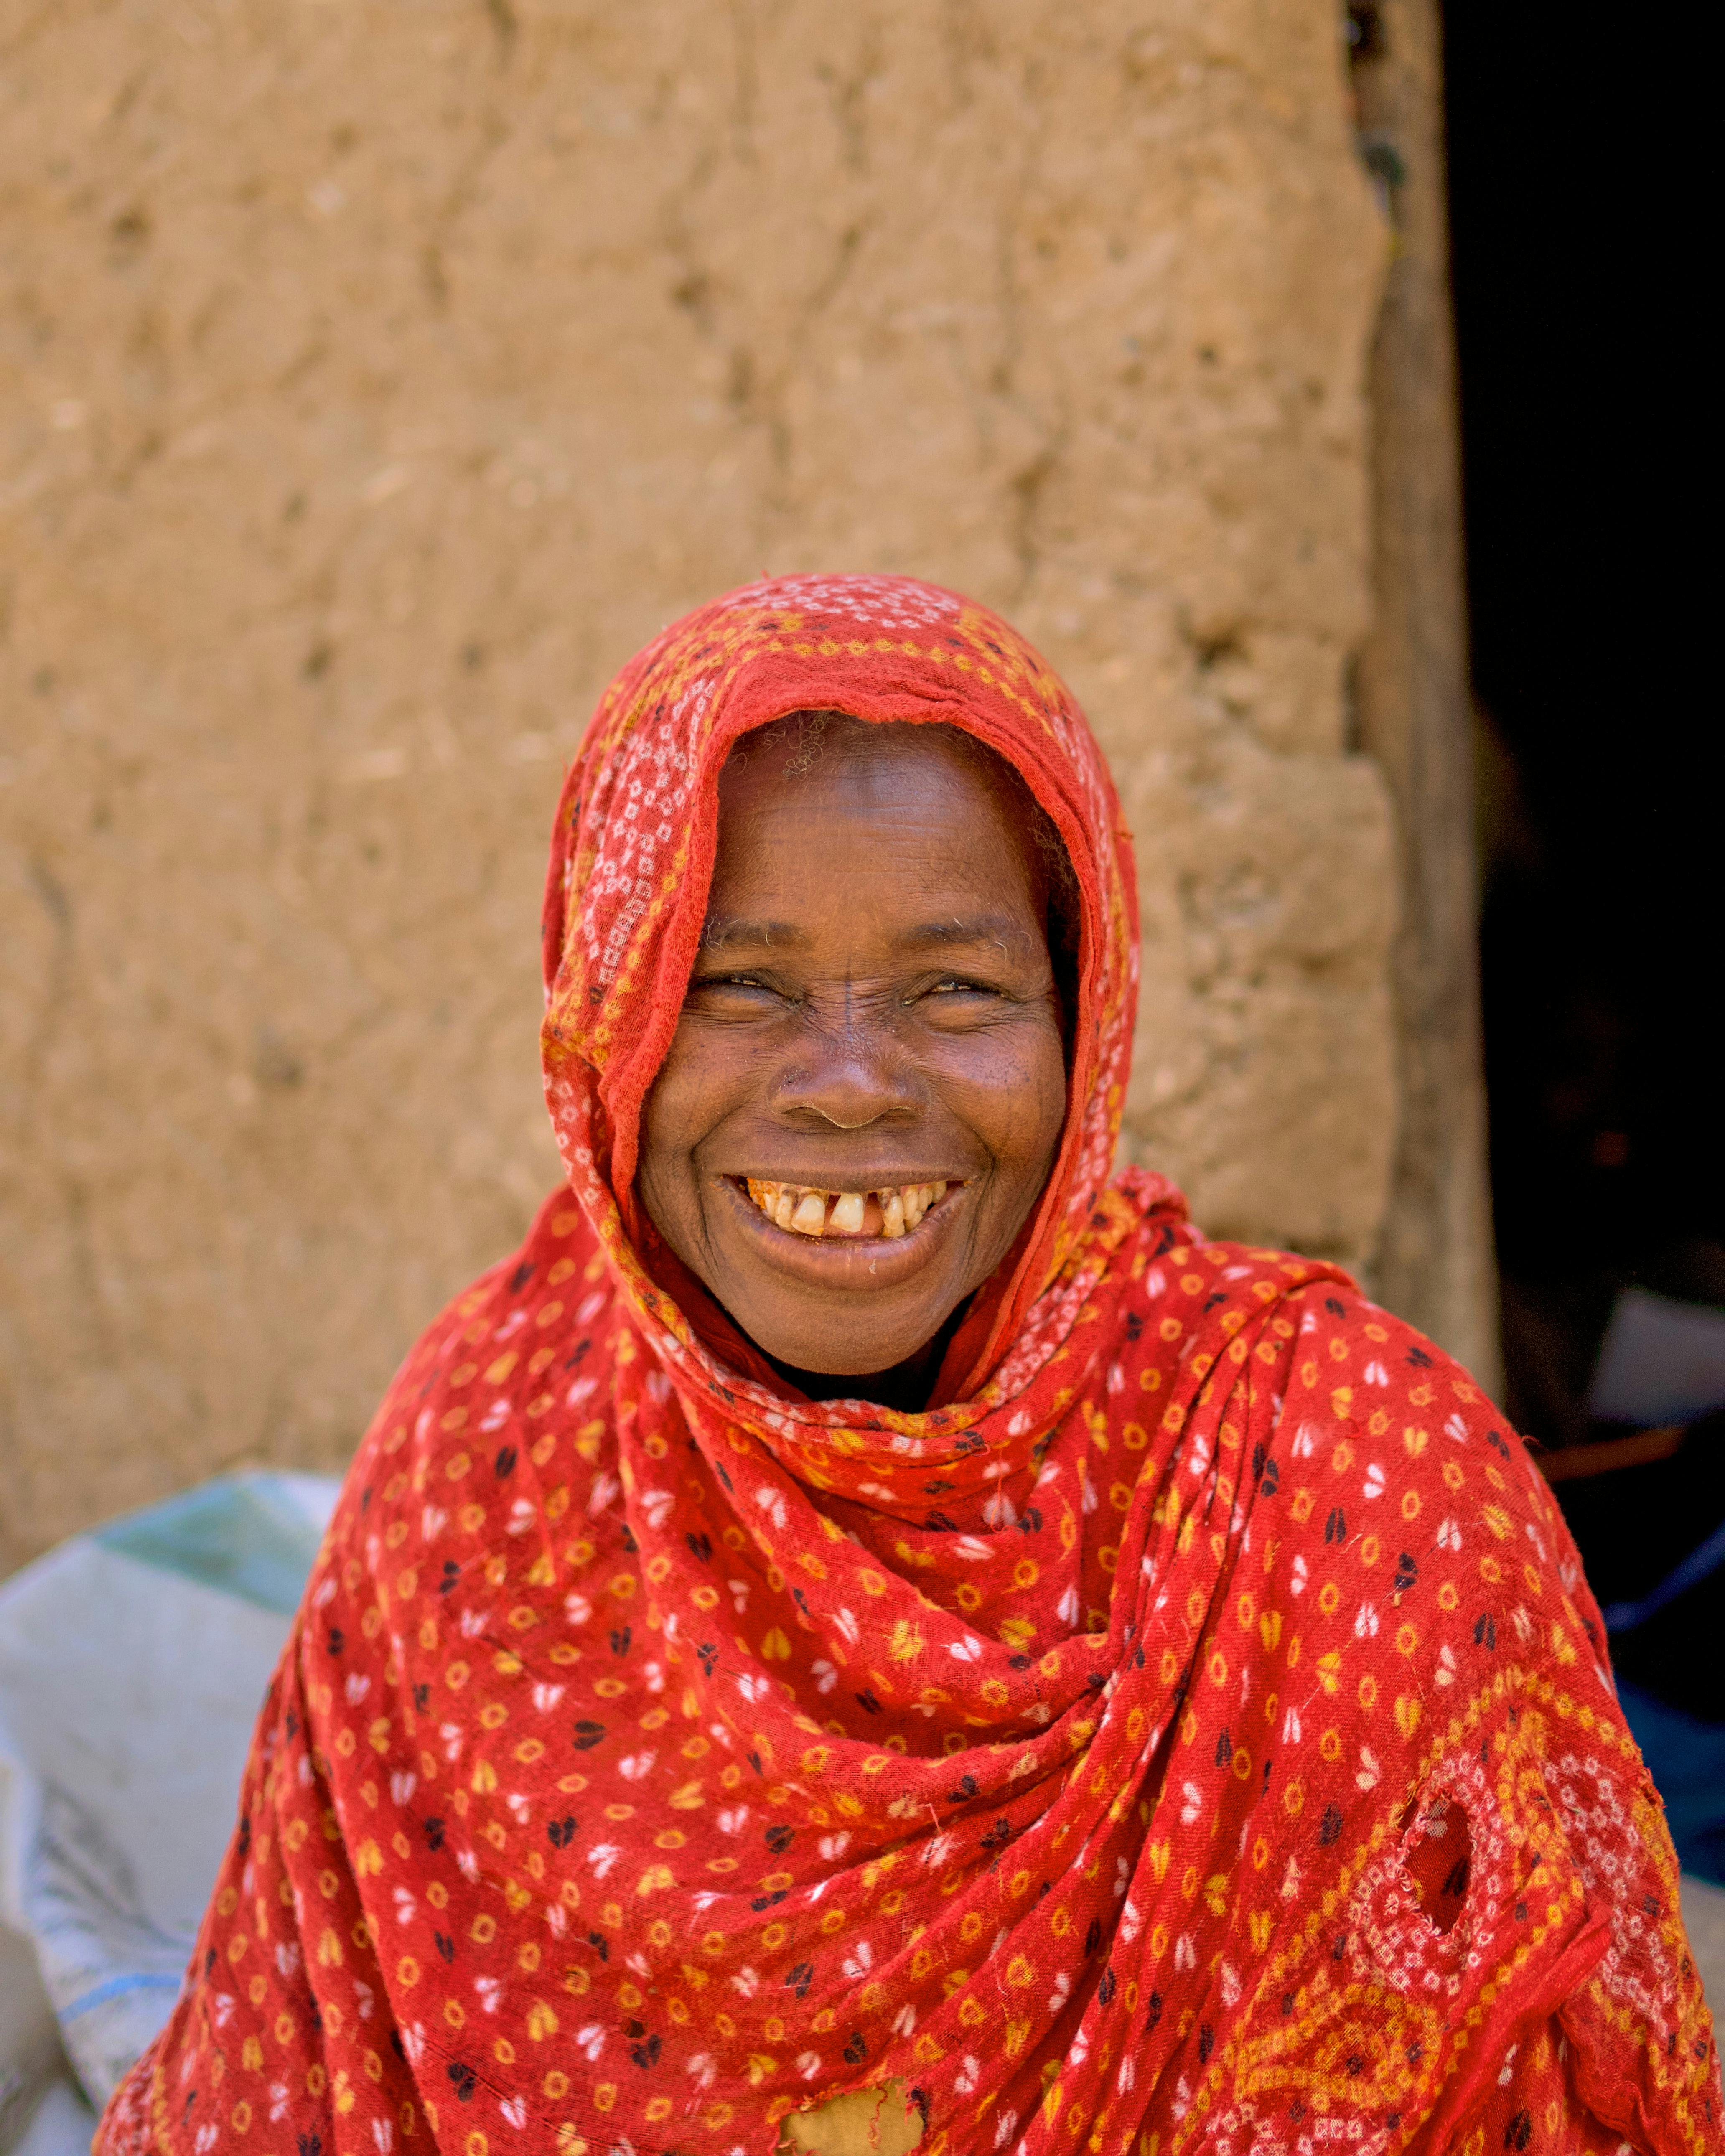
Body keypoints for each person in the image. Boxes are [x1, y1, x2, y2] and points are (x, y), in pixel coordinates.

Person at [97, 577, 1718, 2155]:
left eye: (958, 988)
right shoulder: (489, 1461)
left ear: (1085, 1022)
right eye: (738, 984)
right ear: (606, 1019)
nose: (854, 1087)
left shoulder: (1344, 1477)